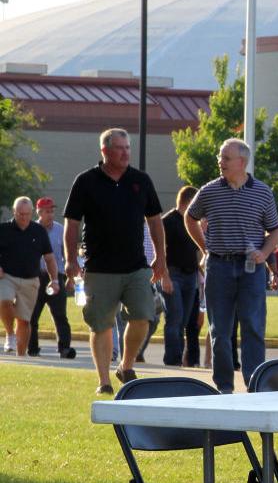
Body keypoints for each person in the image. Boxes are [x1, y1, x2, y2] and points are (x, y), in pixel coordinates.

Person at [63, 128, 166, 394]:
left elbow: (155, 221)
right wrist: (71, 259)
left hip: (136, 266)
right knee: (101, 324)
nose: (125, 153)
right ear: (105, 151)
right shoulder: (86, 181)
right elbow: (72, 224)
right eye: (120, 148)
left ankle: (125, 365)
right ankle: (104, 381)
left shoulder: (140, 180)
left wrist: (161, 258)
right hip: (99, 268)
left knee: (143, 316)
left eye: (128, 147)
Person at [184, 138, 278, 393]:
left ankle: (254, 384)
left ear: (242, 162)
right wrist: (205, 247)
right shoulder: (209, 191)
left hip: (251, 269)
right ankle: (224, 386)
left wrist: (264, 253)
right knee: (220, 330)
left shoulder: (262, 192)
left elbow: (274, 230)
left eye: (226, 158)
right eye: (220, 157)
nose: (220, 162)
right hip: (219, 266)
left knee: (253, 326)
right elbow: (190, 218)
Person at [0, 197, 58, 357]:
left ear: (32, 213)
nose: (24, 217)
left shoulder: (39, 231)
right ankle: (10, 334)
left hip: (31, 280)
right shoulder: (3, 229)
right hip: (7, 277)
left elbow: (49, 258)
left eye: (27, 214)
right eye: (20, 214)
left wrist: (54, 280)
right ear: (14, 212)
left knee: (24, 320)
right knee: (4, 300)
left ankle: (21, 356)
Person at [26, 197, 75, 359]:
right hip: (35, 277)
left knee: (60, 315)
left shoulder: (60, 229)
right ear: (38, 212)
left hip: (56, 277)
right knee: (32, 315)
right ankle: (32, 348)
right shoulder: (30, 229)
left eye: (52, 211)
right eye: (47, 211)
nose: (50, 214)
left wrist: (70, 278)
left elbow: (66, 255)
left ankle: (65, 348)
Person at [160, 186, 201, 366]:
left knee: (183, 321)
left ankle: (178, 359)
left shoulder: (193, 223)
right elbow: (160, 251)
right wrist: (164, 277)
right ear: (189, 201)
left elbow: (197, 250)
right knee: (174, 318)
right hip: (173, 274)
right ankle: (172, 360)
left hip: (190, 275)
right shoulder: (168, 222)